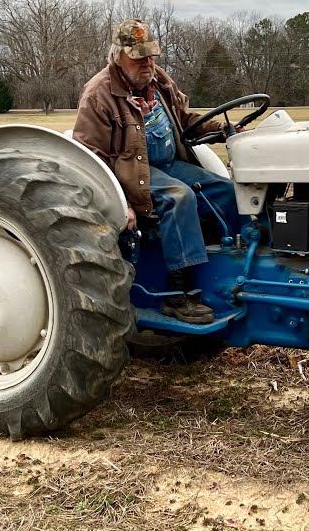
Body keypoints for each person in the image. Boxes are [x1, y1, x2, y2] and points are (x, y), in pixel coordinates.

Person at [74, 18, 241, 325]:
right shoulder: (98, 94)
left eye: (151, 55)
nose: (147, 63)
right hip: (128, 174)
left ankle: (229, 266)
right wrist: (120, 202)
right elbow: (89, 157)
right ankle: (178, 295)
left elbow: (185, 116)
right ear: (118, 56)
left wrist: (223, 130)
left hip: (167, 163)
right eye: (139, 57)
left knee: (227, 192)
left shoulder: (157, 81)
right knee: (179, 198)